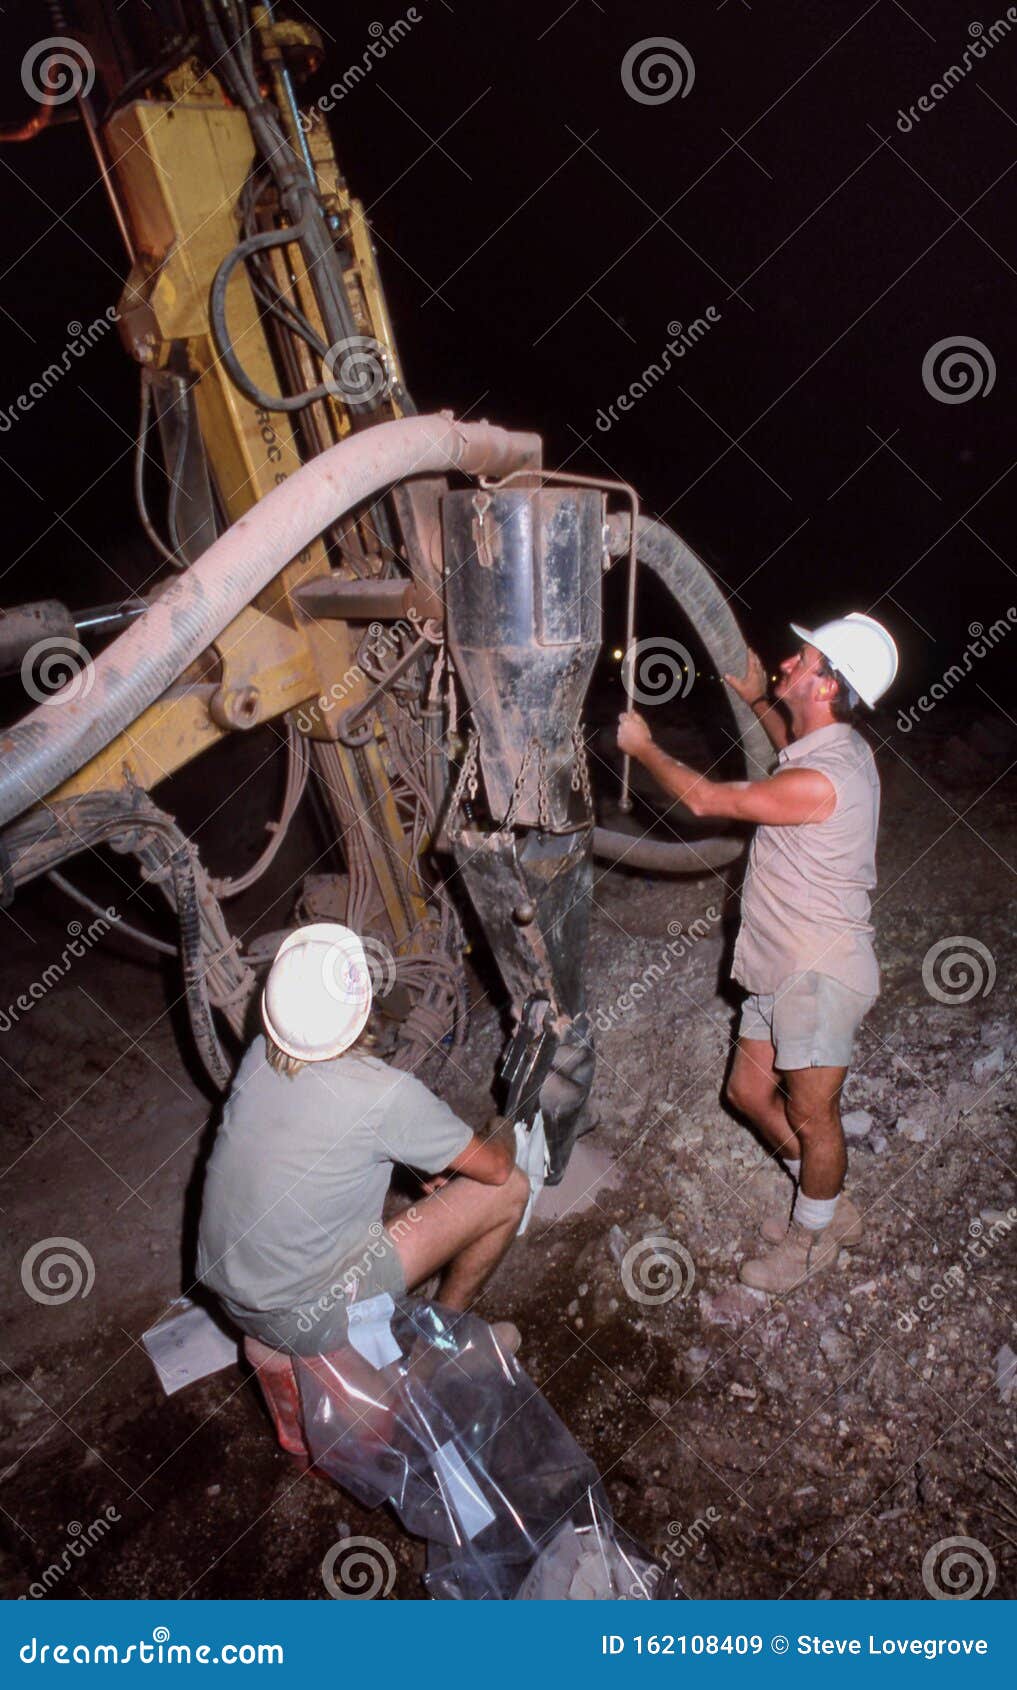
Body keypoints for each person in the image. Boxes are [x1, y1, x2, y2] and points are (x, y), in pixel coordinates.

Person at [617, 612, 898, 1294]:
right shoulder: (829, 750)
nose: (788, 665)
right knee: (746, 1091)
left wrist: (643, 748)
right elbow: (781, 743)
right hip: (782, 967)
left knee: (811, 1116)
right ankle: (826, 1206)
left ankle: (811, 1241)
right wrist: (750, 692)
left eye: (802, 661)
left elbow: (709, 799)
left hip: (819, 973)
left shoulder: (821, 780)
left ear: (827, 687)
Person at [196, 923, 529, 1355]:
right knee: (510, 1190)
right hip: (304, 1319)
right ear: (364, 1006)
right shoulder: (383, 1093)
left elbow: (324, 1137)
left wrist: (419, 1158)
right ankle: (439, 1344)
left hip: (228, 1291)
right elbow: (497, 1168)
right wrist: (501, 1125)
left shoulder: (259, 1054)